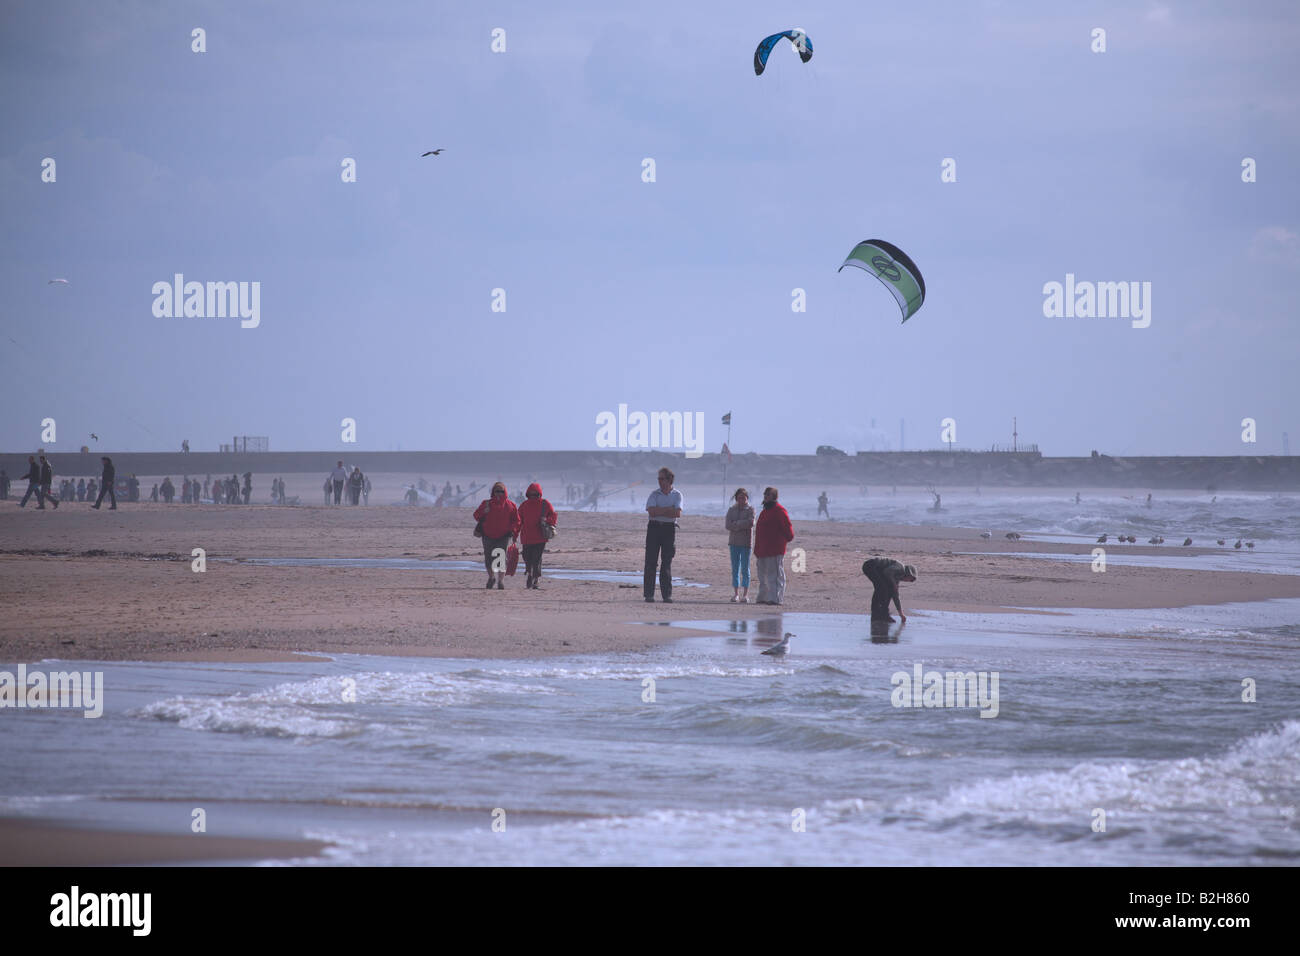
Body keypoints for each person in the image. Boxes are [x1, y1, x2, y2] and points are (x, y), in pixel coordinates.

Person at [644, 467, 683, 603]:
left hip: (669, 529)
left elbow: (677, 513)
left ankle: (667, 595)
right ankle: (649, 595)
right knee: (650, 562)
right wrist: (668, 510)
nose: (659, 481)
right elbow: (651, 512)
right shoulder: (654, 494)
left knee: (666, 562)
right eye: (658, 479)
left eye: (661, 479)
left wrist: (661, 510)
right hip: (654, 528)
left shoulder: (677, 495)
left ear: (669, 479)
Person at [473, 482, 520, 590]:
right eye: (496, 491)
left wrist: (513, 530)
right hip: (487, 535)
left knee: (500, 558)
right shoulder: (486, 504)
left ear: (505, 492)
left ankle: (501, 581)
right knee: (488, 559)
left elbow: (516, 520)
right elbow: (476, 515)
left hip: (503, 536)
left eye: (501, 491)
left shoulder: (510, 505)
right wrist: (483, 512)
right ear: (493, 492)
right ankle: (491, 577)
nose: (499, 493)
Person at [753, 487, 794, 605]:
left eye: (768, 494)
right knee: (763, 576)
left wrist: (784, 540)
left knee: (775, 575)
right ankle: (763, 597)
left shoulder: (780, 510)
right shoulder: (765, 511)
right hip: (762, 549)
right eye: (765, 494)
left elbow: (788, 530)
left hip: (775, 549)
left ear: (774, 497)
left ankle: (775, 598)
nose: (765, 496)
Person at [517, 482, 558, 589]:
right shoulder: (524, 505)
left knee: (536, 559)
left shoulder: (545, 504)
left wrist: (546, 520)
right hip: (526, 537)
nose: (533, 496)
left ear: (539, 494)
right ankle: (530, 573)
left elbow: (553, 517)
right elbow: (518, 520)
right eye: (531, 494)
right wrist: (514, 532)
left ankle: (535, 579)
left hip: (540, 537)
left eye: (536, 494)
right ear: (528, 494)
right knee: (527, 558)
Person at [862, 558, 917, 623]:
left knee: (885, 590)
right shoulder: (900, 568)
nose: (908, 581)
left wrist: (901, 614)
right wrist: (894, 584)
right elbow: (887, 572)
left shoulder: (896, 577)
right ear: (908, 573)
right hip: (870, 565)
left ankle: (878, 615)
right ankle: (881, 615)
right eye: (910, 579)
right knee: (882, 589)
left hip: (876, 568)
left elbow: (895, 596)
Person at [725, 487, 755, 603]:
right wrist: (740, 525)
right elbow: (728, 525)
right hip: (734, 542)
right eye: (739, 498)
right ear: (736, 498)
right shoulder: (732, 510)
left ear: (747, 498)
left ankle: (745, 594)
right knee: (735, 568)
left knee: (745, 569)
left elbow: (750, 523)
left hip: (746, 543)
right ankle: (736, 593)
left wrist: (736, 524)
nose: (741, 500)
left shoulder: (750, 509)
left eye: (744, 498)